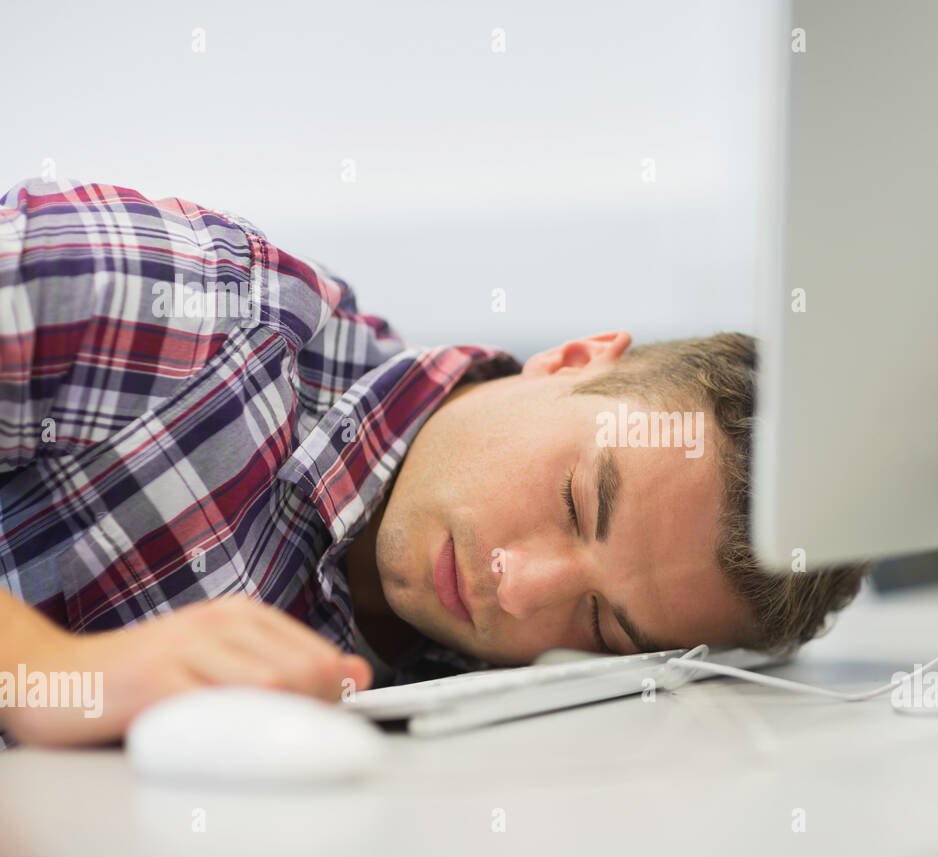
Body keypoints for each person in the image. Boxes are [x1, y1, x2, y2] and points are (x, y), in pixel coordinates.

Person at [0, 179, 866, 746]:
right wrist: (47, 673)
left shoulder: (476, 704)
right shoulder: (190, 306)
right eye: (576, 501)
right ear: (572, 358)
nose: (517, 590)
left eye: (599, 625)